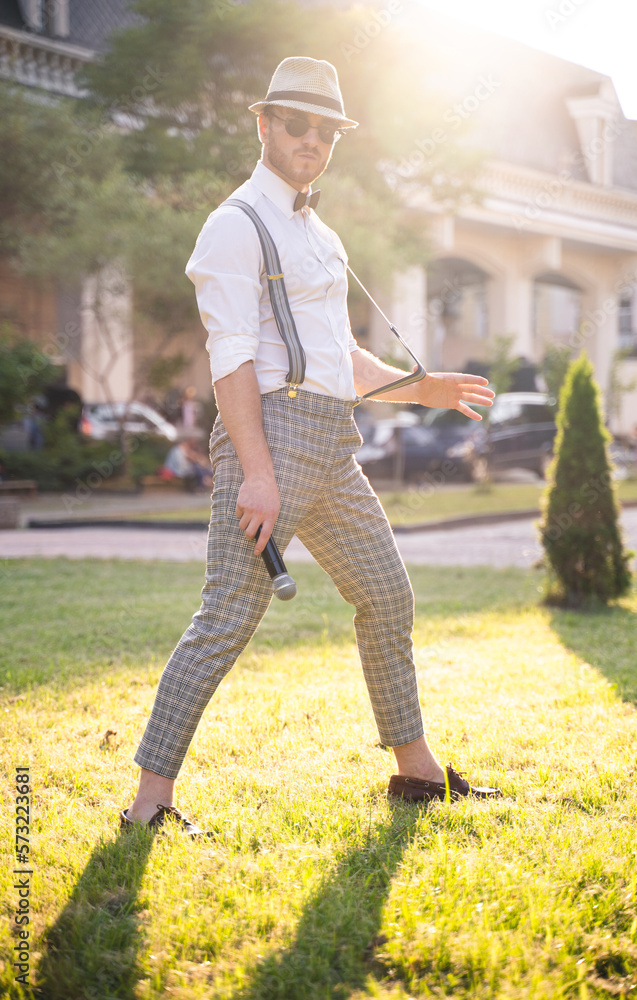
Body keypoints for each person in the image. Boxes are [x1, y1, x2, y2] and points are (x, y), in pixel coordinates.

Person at [121, 56, 500, 837]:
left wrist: (418, 387)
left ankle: (415, 773)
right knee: (227, 614)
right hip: (271, 436)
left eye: (326, 129)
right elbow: (231, 358)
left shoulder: (319, 232)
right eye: (296, 123)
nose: (311, 139)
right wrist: (255, 473)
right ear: (263, 124)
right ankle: (148, 805)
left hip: (333, 442)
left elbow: (340, 362)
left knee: (387, 597)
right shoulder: (234, 225)